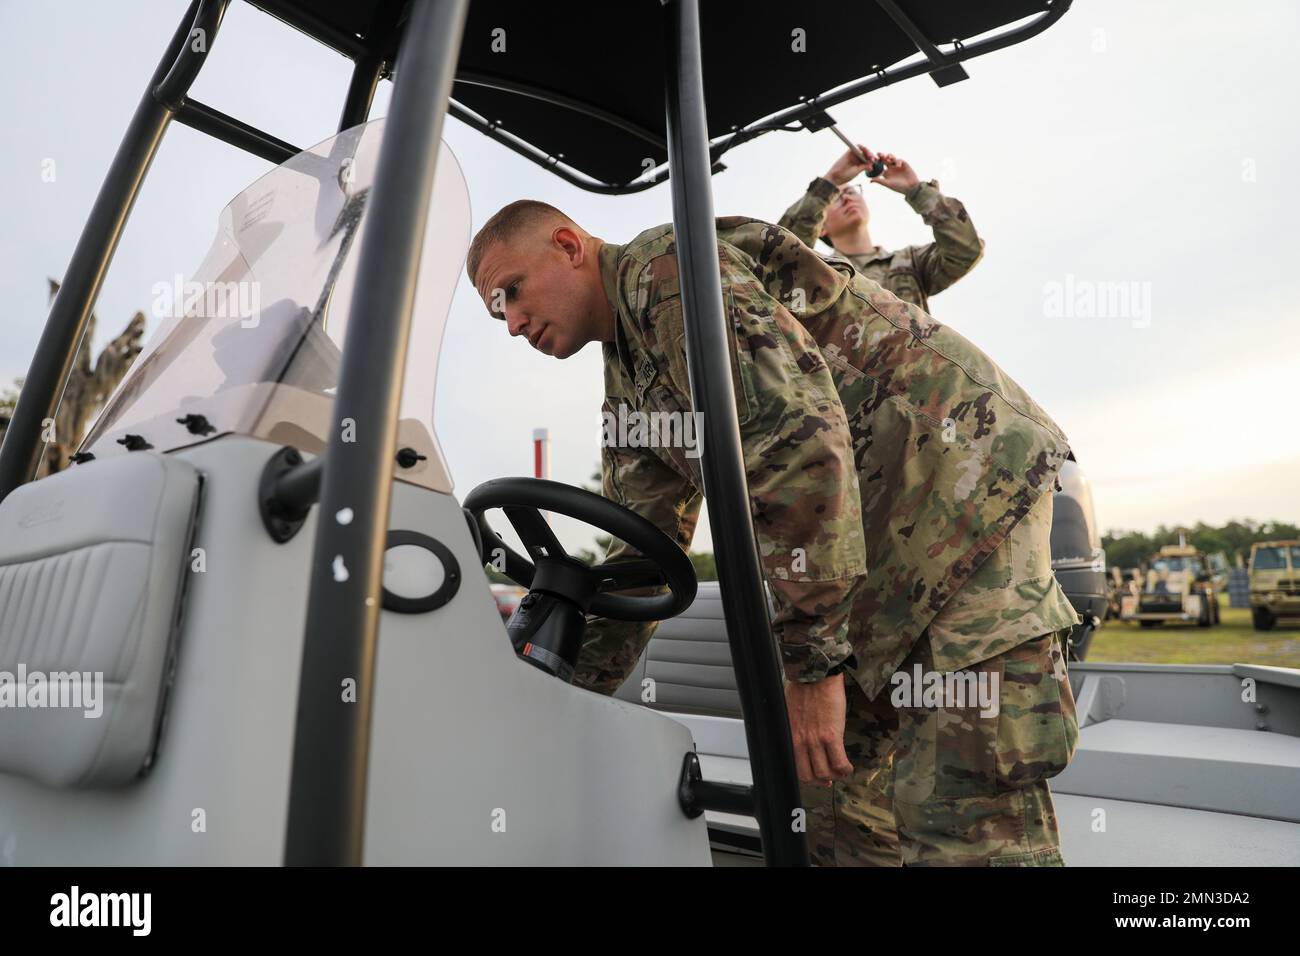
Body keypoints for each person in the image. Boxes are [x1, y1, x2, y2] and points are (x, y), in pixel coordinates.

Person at [467, 200, 1080, 866]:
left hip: (964, 500)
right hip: (868, 551)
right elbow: (642, 552)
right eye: (496, 311)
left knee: (961, 802)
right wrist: (557, 699)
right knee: (825, 792)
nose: (512, 324)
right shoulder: (629, 378)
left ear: (568, 246)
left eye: (512, 293)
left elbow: (797, 451)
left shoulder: (672, 276)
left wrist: (813, 669)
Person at [780, 145, 983, 313]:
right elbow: (778, 258)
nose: (848, 198)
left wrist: (916, 190)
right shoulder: (821, 271)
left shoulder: (910, 262)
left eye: (851, 191)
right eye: (836, 197)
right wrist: (831, 181)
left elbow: (966, 251)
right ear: (821, 226)